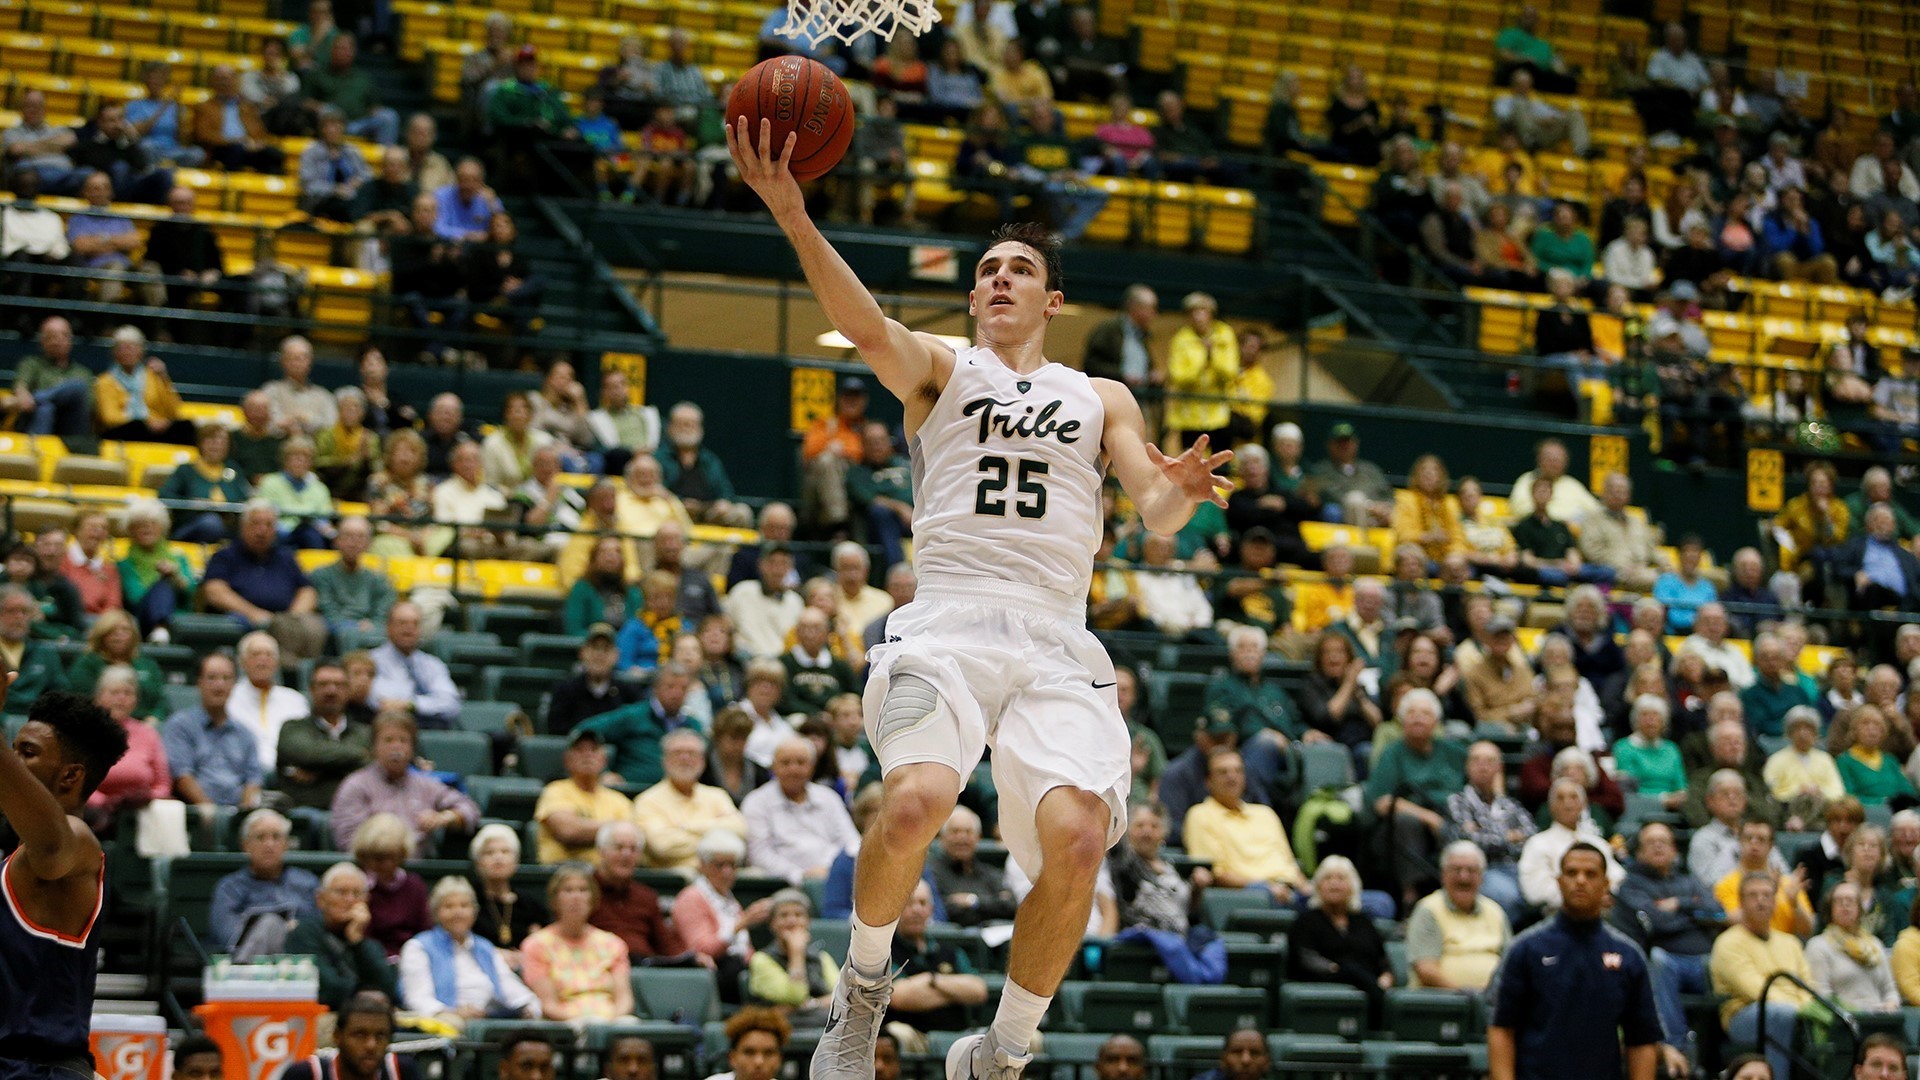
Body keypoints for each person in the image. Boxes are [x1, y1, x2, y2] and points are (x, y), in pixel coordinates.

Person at [733, 124, 1230, 1080]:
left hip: (1057, 639)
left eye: (1020, 269)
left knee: (1081, 840)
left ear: (1054, 298)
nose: (1001, 279)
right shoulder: (940, 366)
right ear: (972, 296)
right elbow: (868, 325)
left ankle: (999, 1052)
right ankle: (863, 993)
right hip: (950, 621)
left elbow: (1157, 511)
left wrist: (1184, 489)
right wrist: (794, 213)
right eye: (987, 269)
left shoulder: (1102, 396)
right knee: (917, 802)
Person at [0, 688, 128, 1079]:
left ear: (70, 776)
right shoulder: (13, 859)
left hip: (38, 1068)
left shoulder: (78, 843)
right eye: (13, 749)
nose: (14, 762)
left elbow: (53, 843)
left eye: (28, 753)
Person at [1491, 843, 1664, 1080]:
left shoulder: (1629, 956)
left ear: (1606, 884)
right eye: (1572, 873)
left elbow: (1642, 1039)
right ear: (1559, 881)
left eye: (1590, 874)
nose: (1580, 881)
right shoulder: (1525, 949)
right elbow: (1502, 1029)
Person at [397, 876, 539, 1028]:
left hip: (489, 1020)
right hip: (443, 1024)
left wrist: (529, 1007)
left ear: (474, 911)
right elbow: (417, 998)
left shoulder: (485, 947)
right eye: (449, 907)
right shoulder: (418, 946)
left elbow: (512, 989)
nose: (458, 913)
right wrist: (451, 1013)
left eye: (464, 906)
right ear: (436, 913)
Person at [1711, 873, 1814, 1080]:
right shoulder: (1728, 942)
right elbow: (1756, 990)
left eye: (1767, 895)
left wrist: (1808, 1010)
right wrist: (1800, 1009)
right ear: (1740, 902)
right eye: (1753, 895)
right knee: (1781, 1014)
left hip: (1792, 1011)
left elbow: (1807, 986)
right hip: (1743, 1015)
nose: (1761, 901)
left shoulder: (1790, 943)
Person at [330, 711, 480, 852]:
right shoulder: (356, 784)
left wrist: (443, 817)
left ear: (412, 748)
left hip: (418, 870)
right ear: (374, 747)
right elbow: (347, 841)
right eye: (388, 740)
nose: (396, 747)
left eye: (403, 741)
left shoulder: (426, 784)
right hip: (370, 867)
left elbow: (470, 809)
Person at [1182, 747, 1309, 903]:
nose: (1232, 777)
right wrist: (1266, 888)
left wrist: (1308, 888)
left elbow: (1289, 864)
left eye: (1238, 771)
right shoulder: (1200, 815)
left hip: (1291, 889)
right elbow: (1217, 874)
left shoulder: (1265, 814)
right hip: (1250, 894)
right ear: (1208, 781)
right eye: (1223, 772)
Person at [521, 863, 637, 1023]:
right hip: (563, 1024)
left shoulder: (613, 943)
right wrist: (586, 1022)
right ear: (554, 899)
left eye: (583, 890)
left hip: (611, 1021)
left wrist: (610, 1023)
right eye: (568, 890)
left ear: (593, 898)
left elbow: (624, 1000)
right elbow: (548, 1006)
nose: (576, 897)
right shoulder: (536, 945)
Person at [1287, 856, 1392, 1025]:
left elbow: (1382, 959)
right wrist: (1337, 970)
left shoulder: (1364, 922)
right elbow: (1305, 958)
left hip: (1369, 985)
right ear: (1318, 885)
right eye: (1328, 878)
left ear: (1352, 886)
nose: (1334, 884)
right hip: (1324, 984)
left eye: (1341, 878)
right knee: (1352, 971)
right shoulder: (1305, 920)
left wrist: (1386, 977)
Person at [743, 736, 861, 885]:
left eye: (801, 762)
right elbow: (759, 854)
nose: (793, 769)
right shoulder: (756, 802)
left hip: (836, 878)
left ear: (812, 766)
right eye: (785, 763)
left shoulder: (829, 798)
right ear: (773, 767)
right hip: (784, 884)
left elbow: (852, 842)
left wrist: (834, 871)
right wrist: (800, 876)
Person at [287, 863, 399, 1009]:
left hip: (364, 1018)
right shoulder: (304, 933)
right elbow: (328, 989)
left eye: (357, 894)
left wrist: (357, 942)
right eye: (341, 892)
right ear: (321, 899)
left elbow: (388, 989)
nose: (350, 899)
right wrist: (369, 995)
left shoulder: (367, 941)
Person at [209, 808, 321, 954]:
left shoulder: (308, 883)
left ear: (286, 844)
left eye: (276, 837)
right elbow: (228, 937)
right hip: (248, 966)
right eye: (261, 837)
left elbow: (319, 932)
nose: (269, 845)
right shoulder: (229, 888)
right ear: (245, 845)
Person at [674, 829, 772, 983]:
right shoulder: (691, 898)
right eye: (719, 865)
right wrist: (742, 923)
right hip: (713, 973)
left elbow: (745, 948)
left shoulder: (730, 900)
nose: (727, 872)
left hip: (739, 968)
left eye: (732, 865)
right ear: (703, 866)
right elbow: (702, 950)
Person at [589, 822, 684, 961]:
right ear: (601, 851)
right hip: (597, 967)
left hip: (645, 968)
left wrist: (690, 958)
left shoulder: (646, 896)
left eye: (633, 849)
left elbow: (667, 945)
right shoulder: (584, 891)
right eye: (619, 847)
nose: (626, 854)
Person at [535, 731, 633, 865]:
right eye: (579, 750)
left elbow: (630, 836)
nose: (587, 755)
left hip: (605, 876)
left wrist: (585, 828)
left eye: (594, 749)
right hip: (563, 872)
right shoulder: (555, 791)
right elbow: (568, 831)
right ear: (567, 760)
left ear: (604, 760)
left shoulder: (619, 800)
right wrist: (615, 828)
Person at [1807, 881, 1901, 1013]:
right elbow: (1822, 994)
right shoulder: (1818, 946)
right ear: (1830, 909)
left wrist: (1891, 1005)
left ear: (1859, 908)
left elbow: (1890, 989)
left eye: (1850, 901)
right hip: (1845, 1020)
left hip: (1880, 1017)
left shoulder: (1875, 945)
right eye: (1839, 901)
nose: (1845, 905)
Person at [278, 993, 418, 1080]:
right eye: (359, 1035)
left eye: (380, 1036)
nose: (371, 1045)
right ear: (337, 1036)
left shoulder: (400, 1071)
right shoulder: (308, 1074)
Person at [369, 603, 461, 731]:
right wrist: (429, 703)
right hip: (391, 730)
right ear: (388, 627)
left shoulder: (433, 664)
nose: (409, 628)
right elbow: (381, 701)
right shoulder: (372, 661)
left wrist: (410, 705)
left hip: (433, 729)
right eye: (402, 623)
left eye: (415, 623)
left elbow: (451, 704)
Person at [469, 824, 546, 959]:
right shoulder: (469, 901)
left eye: (505, 852)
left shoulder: (530, 904)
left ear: (516, 861)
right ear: (478, 863)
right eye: (489, 853)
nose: (498, 858)